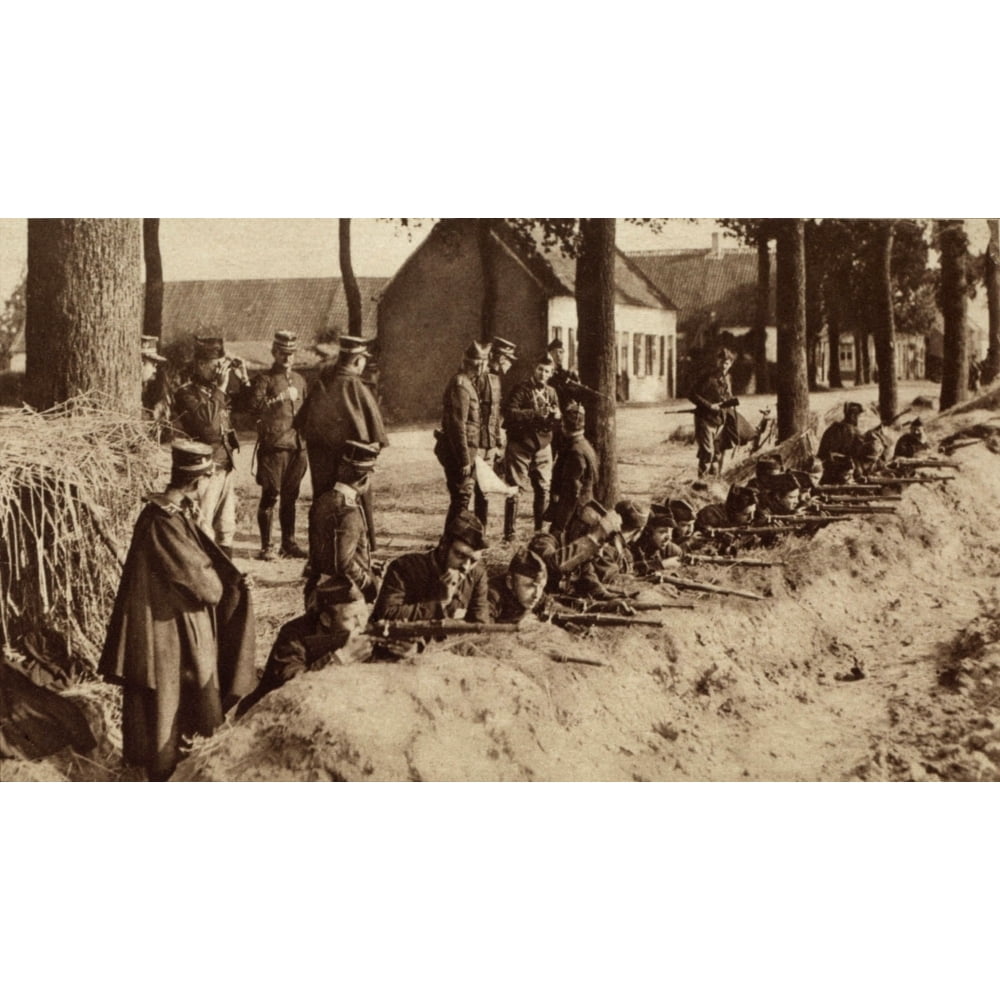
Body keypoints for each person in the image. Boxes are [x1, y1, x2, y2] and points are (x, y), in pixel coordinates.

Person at [98, 441, 256, 780]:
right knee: (166, 702)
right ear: (197, 482)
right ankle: (166, 771)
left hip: (173, 624)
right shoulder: (164, 521)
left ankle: (178, 762)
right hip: (167, 631)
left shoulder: (169, 512)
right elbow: (203, 582)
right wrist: (227, 584)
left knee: (178, 697)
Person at [295, 334, 389, 550]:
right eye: (363, 359)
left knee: (321, 504)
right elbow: (376, 436)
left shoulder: (321, 386)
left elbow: (301, 423)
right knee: (358, 502)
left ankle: (317, 556)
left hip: (322, 466)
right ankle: (362, 550)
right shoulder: (357, 387)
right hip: (351, 467)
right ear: (357, 361)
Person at [236, 579, 371, 718]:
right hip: (269, 714)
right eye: (351, 617)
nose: (361, 624)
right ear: (326, 619)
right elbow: (291, 684)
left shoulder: (366, 631)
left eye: (363, 614)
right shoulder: (294, 633)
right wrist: (339, 659)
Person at [172, 335, 250, 558]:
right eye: (217, 366)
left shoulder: (215, 392)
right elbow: (207, 426)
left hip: (224, 467)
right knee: (203, 529)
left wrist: (244, 379)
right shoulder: (186, 393)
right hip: (203, 472)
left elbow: (248, 408)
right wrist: (222, 387)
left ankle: (226, 580)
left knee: (226, 529)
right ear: (201, 365)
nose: (220, 371)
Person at [244, 330, 309, 560]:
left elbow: (306, 412)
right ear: (274, 352)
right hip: (274, 446)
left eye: (291, 353)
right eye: (283, 353)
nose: (287, 358)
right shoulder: (265, 379)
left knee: (291, 496)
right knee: (270, 495)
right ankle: (267, 546)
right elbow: (253, 408)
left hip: (297, 446)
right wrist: (280, 398)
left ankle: (288, 543)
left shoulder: (301, 380)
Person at [371, 511, 490, 623]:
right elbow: (383, 615)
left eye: (473, 560)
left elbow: (480, 625)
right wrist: (438, 603)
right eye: (460, 555)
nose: (466, 566)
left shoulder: (476, 575)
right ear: (443, 546)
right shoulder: (405, 568)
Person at [306, 441, 380, 610]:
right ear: (364, 479)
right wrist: (367, 581)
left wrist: (366, 563)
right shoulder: (350, 512)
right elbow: (344, 564)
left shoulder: (323, 501)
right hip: (343, 597)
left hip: (319, 588)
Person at [502, 354, 562, 540]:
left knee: (543, 487)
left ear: (551, 373)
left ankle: (539, 530)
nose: (543, 374)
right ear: (534, 369)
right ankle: (509, 533)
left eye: (547, 371)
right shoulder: (521, 389)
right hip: (521, 444)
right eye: (540, 370)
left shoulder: (552, 392)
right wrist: (534, 414)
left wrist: (556, 415)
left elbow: (557, 416)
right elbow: (510, 413)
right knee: (515, 488)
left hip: (543, 446)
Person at [434, 340, 489, 525]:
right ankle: (448, 545)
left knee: (462, 500)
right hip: (458, 455)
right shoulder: (461, 386)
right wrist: (464, 459)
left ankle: (450, 543)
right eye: (483, 363)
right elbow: (458, 426)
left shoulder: (467, 383)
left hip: (465, 453)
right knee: (461, 501)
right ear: (478, 365)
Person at [473, 337, 517, 532]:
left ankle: (480, 529)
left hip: (489, 442)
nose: (508, 363)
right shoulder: (480, 378)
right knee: (469, 490)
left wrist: (498, 442)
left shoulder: (496, 378)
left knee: (484, 490)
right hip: (477, 442)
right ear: (495, 357)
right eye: (505, 358)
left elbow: (495, 413)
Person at [546, 401, 599, 537]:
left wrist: (559, 526)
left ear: (564, 426)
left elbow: (571, 493)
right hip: (584, 507)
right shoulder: (584, 445)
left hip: (575, 513)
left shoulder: (575, 451)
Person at [689, 346, 737, 478]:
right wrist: (709, 406)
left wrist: (730, 401)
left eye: (727, 363)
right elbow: (692, 394)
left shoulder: (728, 378)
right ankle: (701, 482)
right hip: (705, 419)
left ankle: (713, 482)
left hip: (721, 421)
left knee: (717, 454)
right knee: (707, 453)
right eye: (721, 362)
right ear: (717, 361)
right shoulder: (707, 378)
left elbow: (728, 396)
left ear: (731, 364)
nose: (723, 366)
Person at [488, 546, 549, 624]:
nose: (537, 595)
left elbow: (551, 605)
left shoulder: (537, 595)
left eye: (541, 587)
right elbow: (484, 630)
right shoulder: (492, 595)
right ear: (509, 582)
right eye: (529, 586)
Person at [817, 401, 864, 483]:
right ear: (853, 416)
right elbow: (858, 454)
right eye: (859, 416)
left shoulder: (833, 428)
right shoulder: (852, 431)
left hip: (827, 468)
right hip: (839, 469)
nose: (859, 420)